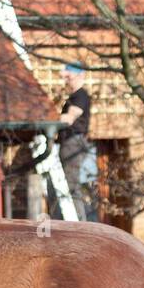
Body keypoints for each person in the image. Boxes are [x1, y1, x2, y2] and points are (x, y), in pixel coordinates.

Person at [48, 63, 95, 221]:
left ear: (80, 76)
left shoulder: (80, 95)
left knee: (71, 185)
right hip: (69, 142)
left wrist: (50, 120)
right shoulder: (75, 96)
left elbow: (70, 118)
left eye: (69, 77)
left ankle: (79, 223)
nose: (67, 81)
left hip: (72, 143)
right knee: (68, 184)